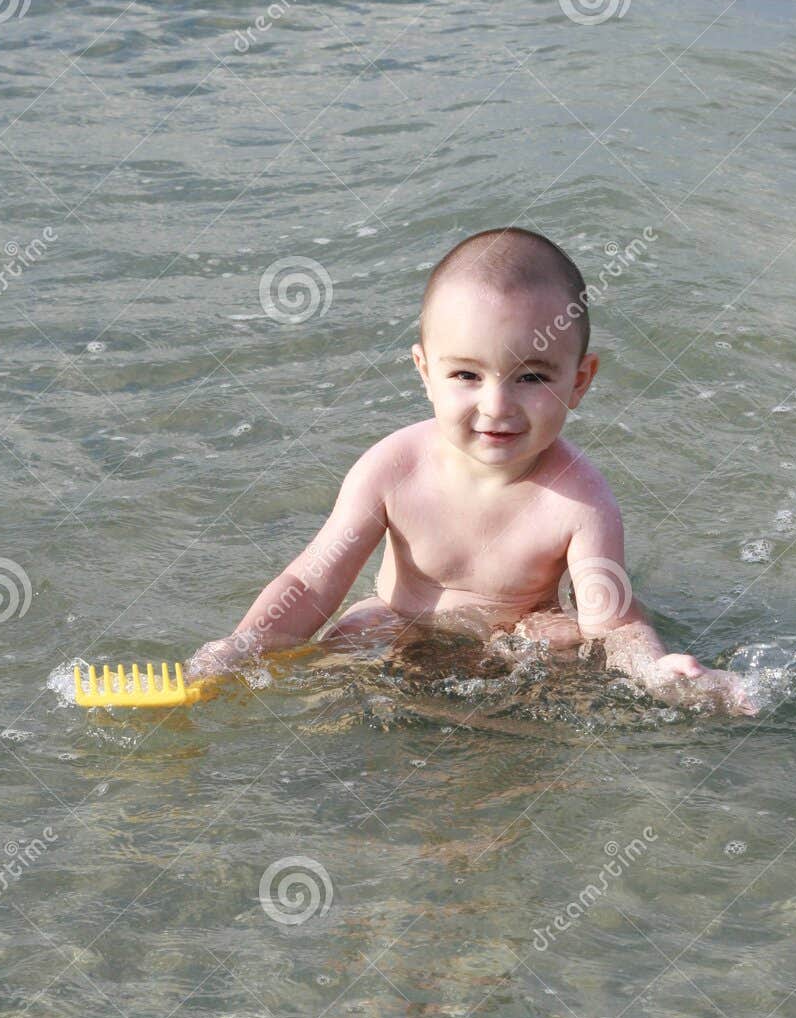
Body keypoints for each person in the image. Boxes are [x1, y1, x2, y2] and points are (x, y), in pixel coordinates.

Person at [186, 228, 756, 716]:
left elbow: (613, 620)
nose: (497, 406)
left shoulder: (579, 500)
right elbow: (312, 583)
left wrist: (655, 670)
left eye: (531, 377)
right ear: (424, 371)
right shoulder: (393, 468)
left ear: (578, 382)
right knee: (353, 637)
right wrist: (242, 646)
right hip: (400, 626)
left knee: (565, 645)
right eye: (466, 375)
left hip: (515, 648)